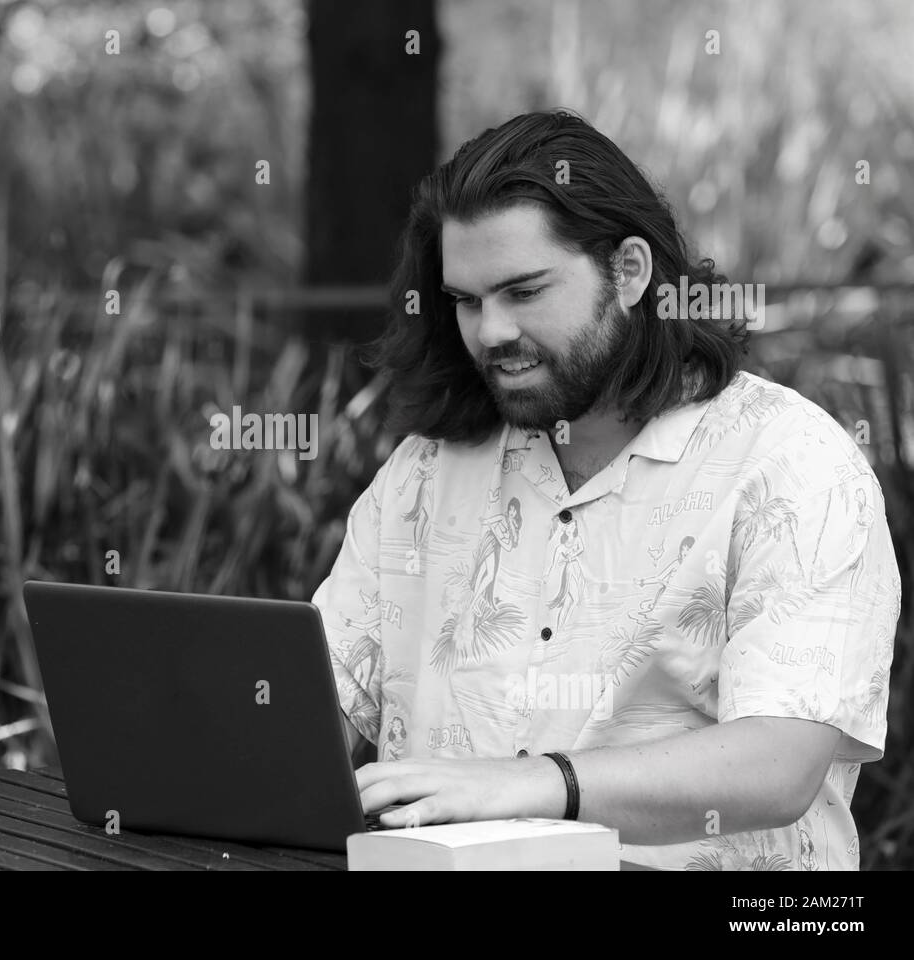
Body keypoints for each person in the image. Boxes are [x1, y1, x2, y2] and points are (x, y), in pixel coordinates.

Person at [312, 110, 900, 870]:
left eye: (524, 291)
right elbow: (312, 709)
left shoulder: (793, 463)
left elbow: (780, 763)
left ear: (629, 270)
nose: (490, 332)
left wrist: (531, 786)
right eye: (465, 300)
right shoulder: (424, 473)